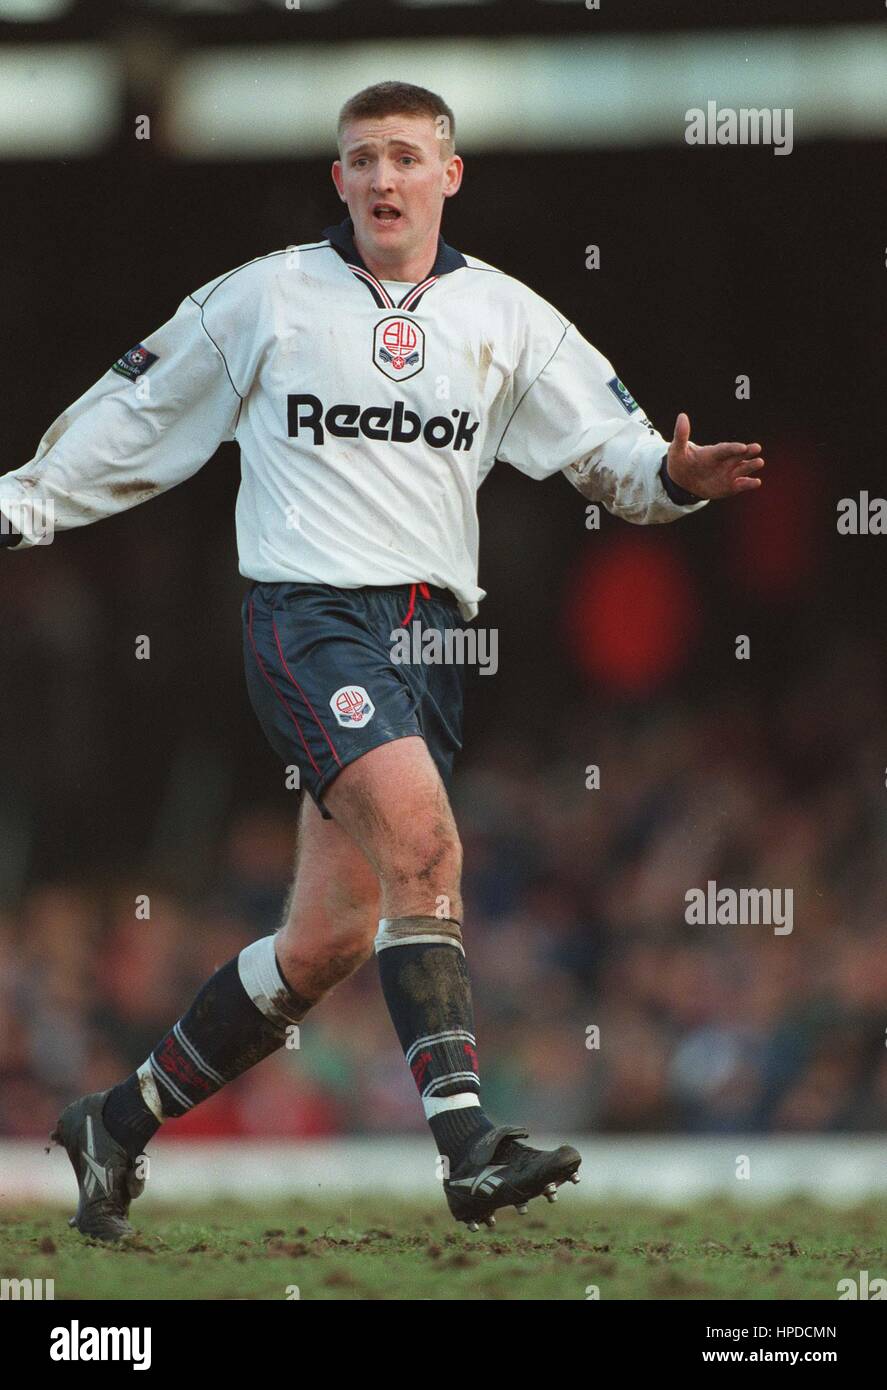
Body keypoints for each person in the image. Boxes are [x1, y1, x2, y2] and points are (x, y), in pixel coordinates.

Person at [1, 81, 764, 1240]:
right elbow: (140, 409)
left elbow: (604, 446)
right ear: (338, 179)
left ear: (448, 175)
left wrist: (671, 478)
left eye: (406, 156)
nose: (383, 178)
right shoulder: (264, 297)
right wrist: (25, 503)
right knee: (426, 844)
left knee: (327, 943)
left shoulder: (506, 317)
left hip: (426, 640)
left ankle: (117, 1119)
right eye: (361, 158)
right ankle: (467, 1143)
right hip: (307, 619)